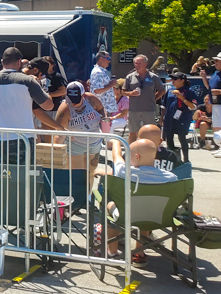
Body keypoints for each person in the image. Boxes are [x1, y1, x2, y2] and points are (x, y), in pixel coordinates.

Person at [94, 138, 177, 266]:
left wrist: (116, 143)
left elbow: (116, 157)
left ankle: (112, 251)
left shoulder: (125, 172)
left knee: (108, 202)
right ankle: (139, 253)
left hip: (126, 217)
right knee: (146, 207)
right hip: (157, 218)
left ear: (136, 157)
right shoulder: (170, 177)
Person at [0, 47, 54, 165]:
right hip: (24, 139)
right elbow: (48, 106)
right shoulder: (28, 81)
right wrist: (43, 89)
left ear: (2, 62)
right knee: (24, 178)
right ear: (19, 62)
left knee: (0, 177)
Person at [55, 81, 105, 173]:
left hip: (94, 144)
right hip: (75, 146)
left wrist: (103, 121)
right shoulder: (65, 108)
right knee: (76, 177)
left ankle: (89, 188)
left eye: (76, 99)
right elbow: (59, 133)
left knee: (90, 174)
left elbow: (101, 110)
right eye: (71, 99)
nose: (73, 103)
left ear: (83, 95)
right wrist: (55, 153)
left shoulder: (91, 99)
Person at [121, 54, 165, 143]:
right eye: (136, 63)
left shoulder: (153, 77)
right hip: (134, 110)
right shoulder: (130, 77)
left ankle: (149, 150)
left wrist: (154, 99)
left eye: (139, 63)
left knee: (149, 132)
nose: (137, 65)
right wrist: (131, 93)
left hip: (149, 109)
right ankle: (132, 151)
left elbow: (162, 90)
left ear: (145, 64)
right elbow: (123, 91)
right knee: (133, 132)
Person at [162, 72, 197, 163]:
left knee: (182, 137)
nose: (173, 81)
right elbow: (165, 106)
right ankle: (172, 159)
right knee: (169, 137)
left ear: (182, 80)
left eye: (175, 79)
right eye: (172, 79)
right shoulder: (170, 90)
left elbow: (193, 106)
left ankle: (186, 159)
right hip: (169, 117)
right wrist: (162, 118)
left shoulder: (189, 91)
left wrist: (181, 97)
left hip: (182, 117)